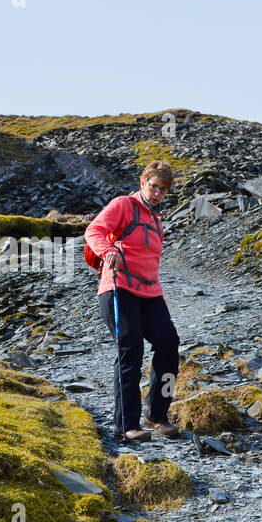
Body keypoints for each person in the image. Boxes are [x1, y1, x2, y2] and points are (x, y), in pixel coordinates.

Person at [84, 160, 185, 442]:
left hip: (151, 293)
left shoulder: (156, 221)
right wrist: (107, 251)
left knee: (169, 343)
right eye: (153, 187)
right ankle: (126, 425)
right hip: (118, 288)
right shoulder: (124, 205)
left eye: (163, 190)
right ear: (143, 183)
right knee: (131, 349)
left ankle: (157, 414)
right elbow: (94, 230)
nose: (157, 193)